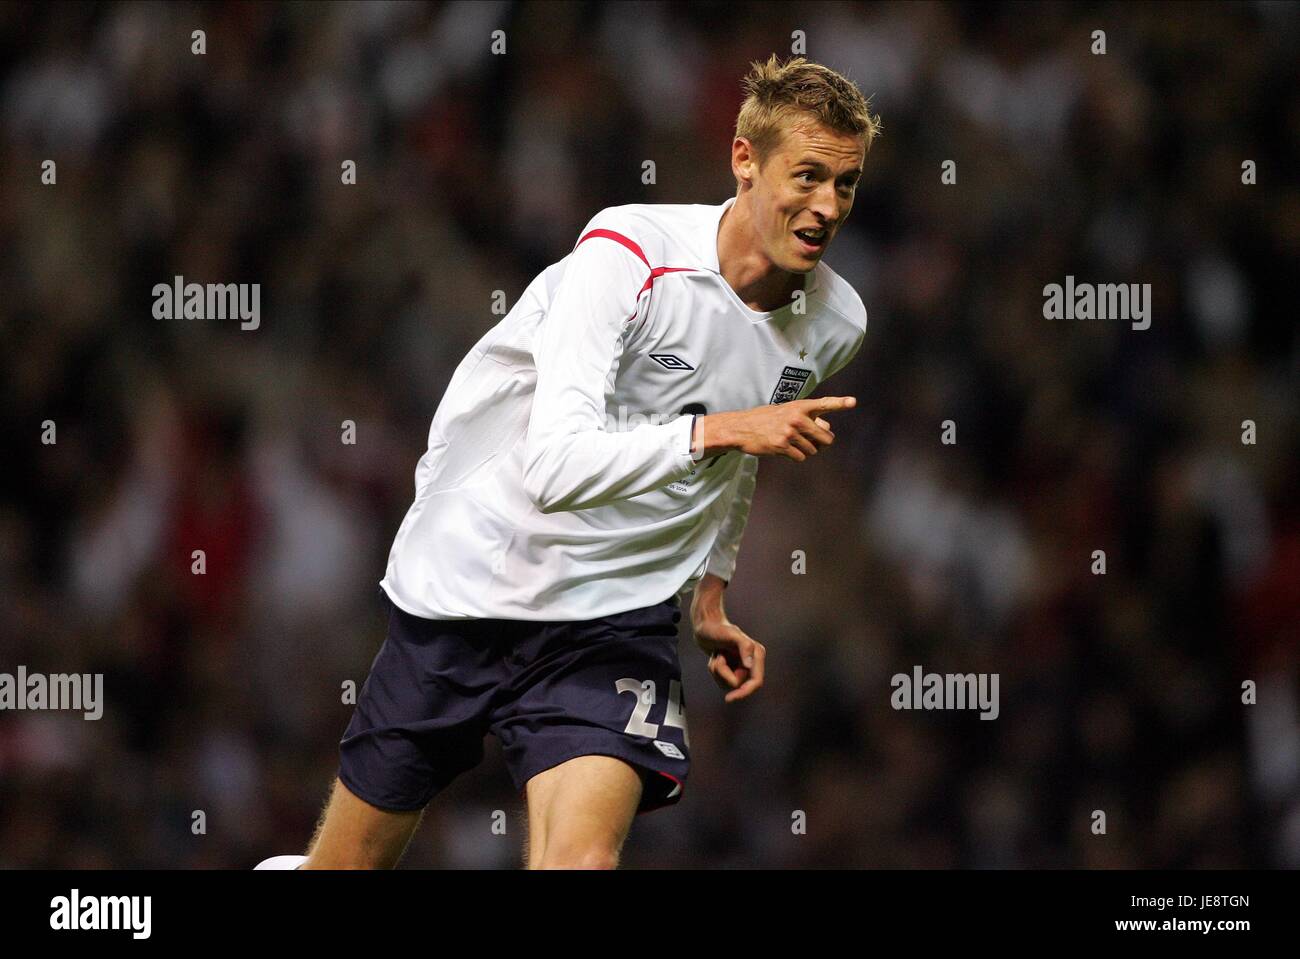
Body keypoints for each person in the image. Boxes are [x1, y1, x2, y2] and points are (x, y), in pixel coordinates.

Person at [257, 54, 880, 871]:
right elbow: (559, 463)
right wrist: (727, 430)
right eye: (808, 176)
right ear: (743, 160)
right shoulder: (626, 253)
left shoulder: (837, 320)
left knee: (581, 860)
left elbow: (745, 442)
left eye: (847, 183)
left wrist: (711, 589)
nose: (827, 206)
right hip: (477, 577)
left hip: (614, 615)